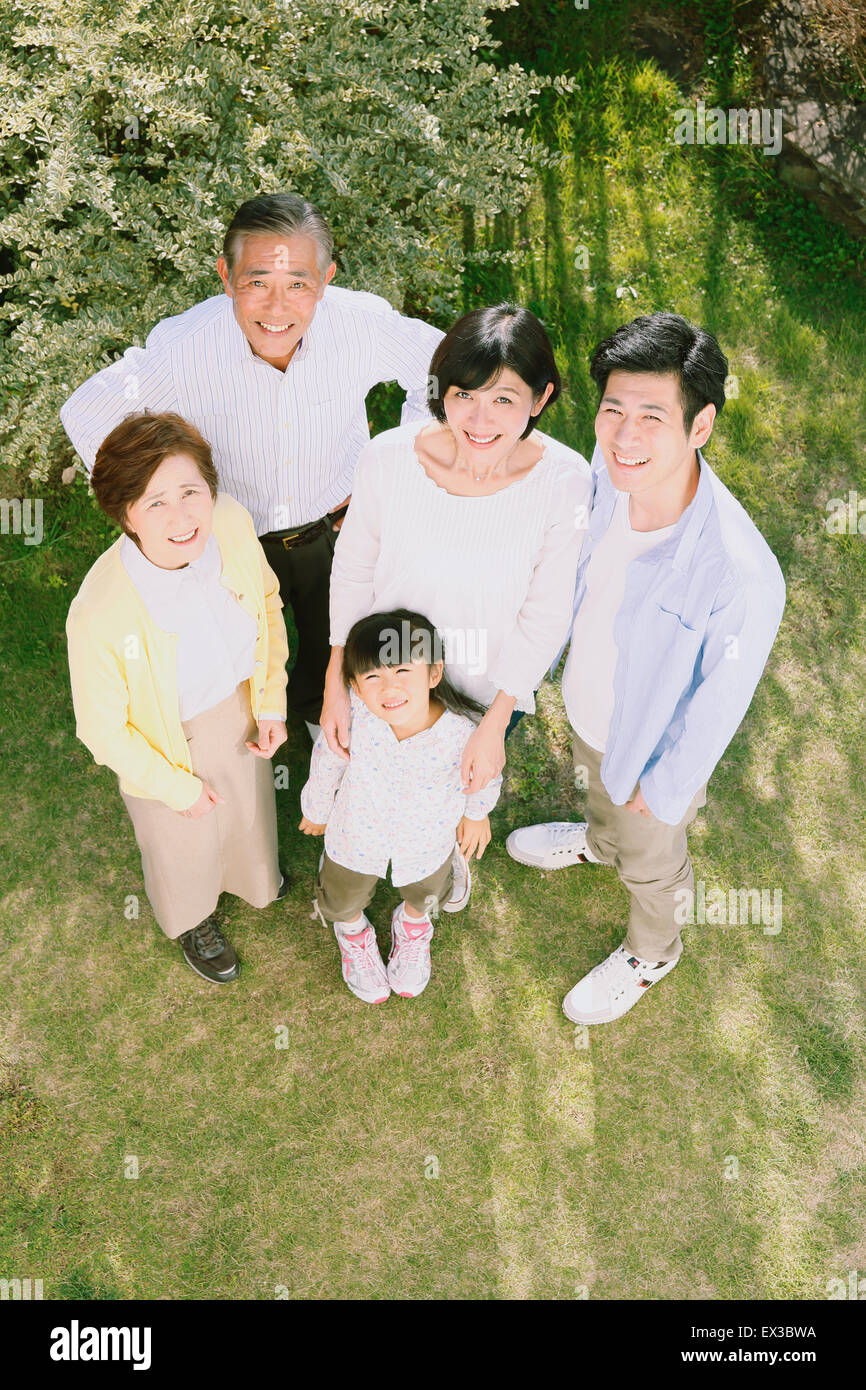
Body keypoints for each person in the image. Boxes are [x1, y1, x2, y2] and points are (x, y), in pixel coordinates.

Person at [60, 192, 444, 740]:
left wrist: (397, 462)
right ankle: (253, 728)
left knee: (330, 634)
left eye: (298, 285)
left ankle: (319, 716)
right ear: (225, 275)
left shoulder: (360, 325)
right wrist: (164, 509)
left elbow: (440, 366)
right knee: (242, 643)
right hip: (229, 538)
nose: (277, 307)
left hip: (331, 529)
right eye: (257, 282)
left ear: (327, 279)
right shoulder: (184, 348)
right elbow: (87, 413)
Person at [506, 312, 786, 1025]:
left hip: (651, 757)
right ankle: (598, 842)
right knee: (600, 790)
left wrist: (662, 791)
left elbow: (717, 708)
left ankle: (654, 949)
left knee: (652, 861)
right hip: (592, 710)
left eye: (652, 417)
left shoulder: (741, 575)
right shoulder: (610, 469)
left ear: (701, 427)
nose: (626, 437)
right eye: (613, 410)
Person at [320, 303, 593, 794]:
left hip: (482, 689)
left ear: (540, 397)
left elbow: (547, 613)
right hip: (384, 670)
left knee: (447, 797)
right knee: (365, 786)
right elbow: (354, 570)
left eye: (504, 399)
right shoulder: (387, 456)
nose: (479, 420)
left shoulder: (566, 481)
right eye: (464, 394)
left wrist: (496, 719)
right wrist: (336, 680)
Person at [66, 411, 291, 984]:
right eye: (154, 501)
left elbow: (267, 601)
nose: (182, 515)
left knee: (247, 814)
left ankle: (255, 876)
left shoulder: (232, 522)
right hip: (165, 745)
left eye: (191, 491)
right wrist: (176, 787)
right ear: (125, 515)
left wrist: (270, 701)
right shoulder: (99, 611)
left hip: (238, 710)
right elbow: (103, 729)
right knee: (182, 843)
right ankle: (194, 920)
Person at [299, 610, 501, 1003]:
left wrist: (476, 814)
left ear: (434, 674)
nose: (389, 688)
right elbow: (327, 760)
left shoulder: (465, 731)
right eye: (373, 677)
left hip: (426, 841)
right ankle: (353, 932)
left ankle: (412, 927)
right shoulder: (354, 718)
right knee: (342, 898)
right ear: (355, 687)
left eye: (402, 671)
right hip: (356, 835)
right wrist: (317, 810)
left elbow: (487, 773)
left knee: (425, 893)